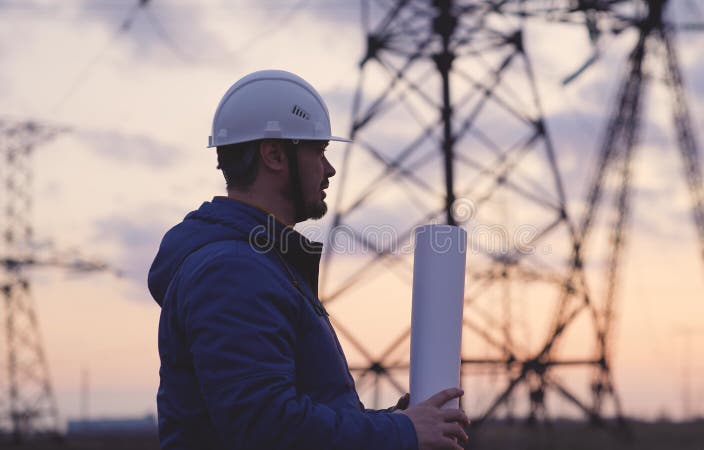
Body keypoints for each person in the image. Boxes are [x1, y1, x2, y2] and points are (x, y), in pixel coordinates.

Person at [148, 70, 469, 450]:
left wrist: (397, 422)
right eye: (318, 151)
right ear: (274, 154)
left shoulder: (258, 263)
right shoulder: (233, 271)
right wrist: (401, 434)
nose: (329, 169)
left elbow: (298, 411)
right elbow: (267, 427)